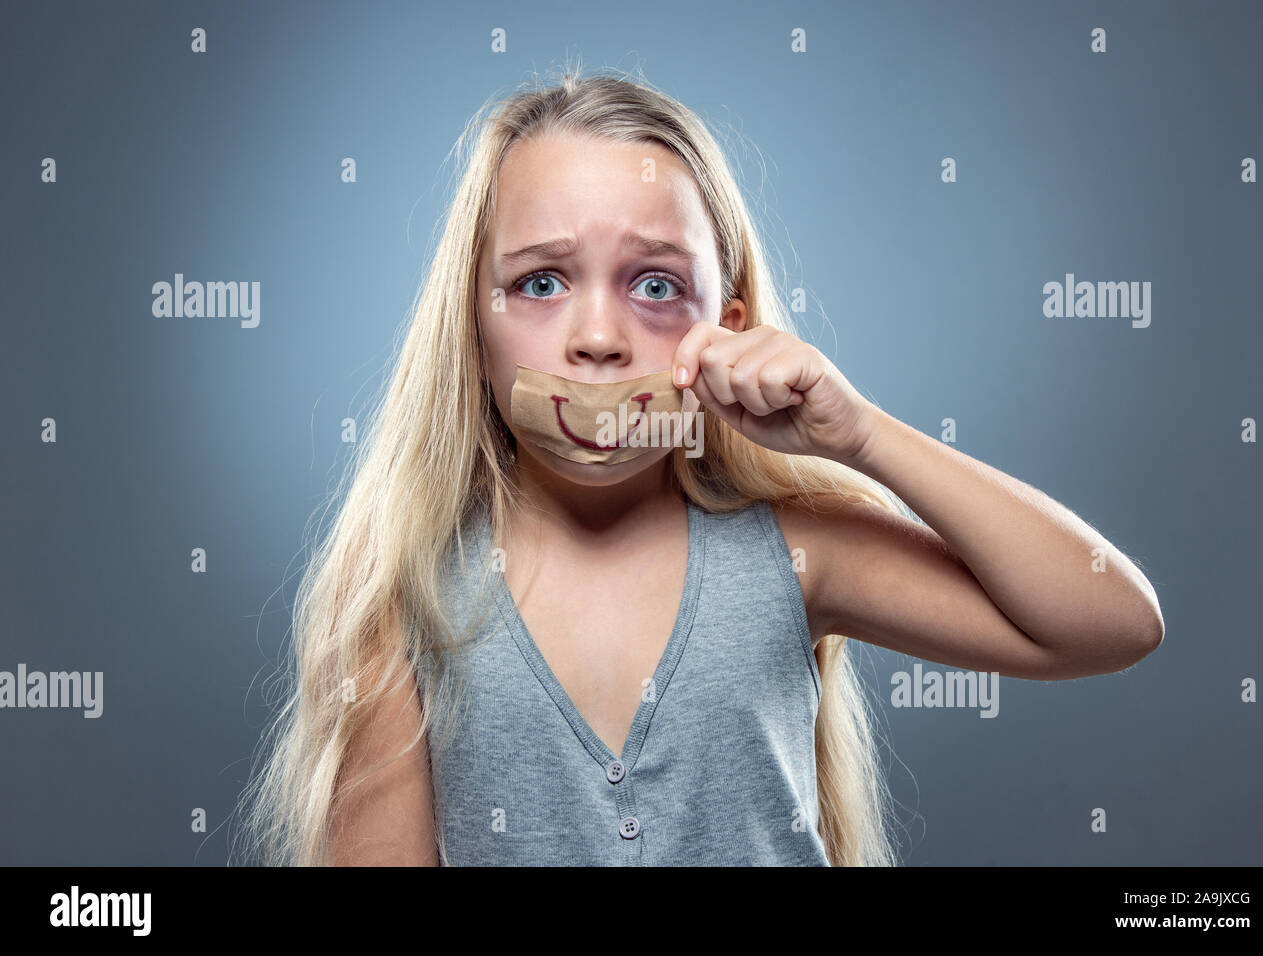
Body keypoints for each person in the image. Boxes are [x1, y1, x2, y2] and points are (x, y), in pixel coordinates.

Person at [233, 66, 1164, 868]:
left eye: (656, 286)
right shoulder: (408, 585)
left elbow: (1110, 622)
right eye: (541, 283)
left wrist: (863, 437)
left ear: (732, 327)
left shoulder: (796, 551)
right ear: (473, 333)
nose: (598, 339)